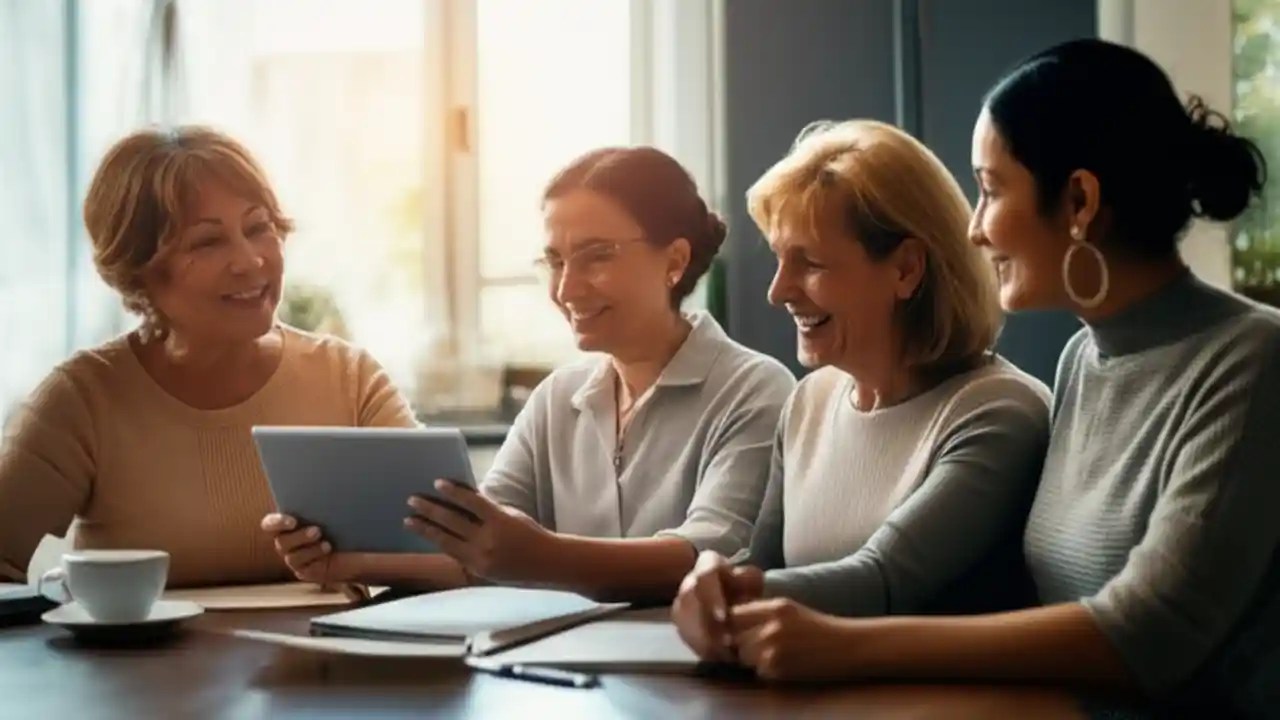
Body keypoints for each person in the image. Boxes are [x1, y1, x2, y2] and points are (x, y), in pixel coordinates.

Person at [688, 39, 1280, 716]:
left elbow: (1148, 632)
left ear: (1080, 200)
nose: (972, 230)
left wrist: (848, 645)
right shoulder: (1083, 361)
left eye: (991, 190)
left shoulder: (1252, 358)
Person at [266, 147, 795, 602]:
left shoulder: (754, 391)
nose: (566, 290)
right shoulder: (557, 399)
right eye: (556, 262)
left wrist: (542, 556)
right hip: (566, 676)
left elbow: (709, 555)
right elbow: (482, 551)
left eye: (595, 257)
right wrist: (350, 565)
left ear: (674, 260)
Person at [671, 119, 1051, 657]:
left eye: (811, 263)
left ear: (906, 269)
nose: (779, 292)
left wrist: (723, 591)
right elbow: (762, 565)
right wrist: (718, 574)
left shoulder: (1000, 413)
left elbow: (881, 583)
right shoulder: (810, 399)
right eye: (780, 259)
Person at [0, 126, 417, 588]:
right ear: (139, 270)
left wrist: (353, 566)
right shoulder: (83, 399)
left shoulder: (349, 379)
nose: (250, 261)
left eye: (259, 229)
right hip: (136, 662)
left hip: (327, 659)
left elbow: (460, 558)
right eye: (207, 242)